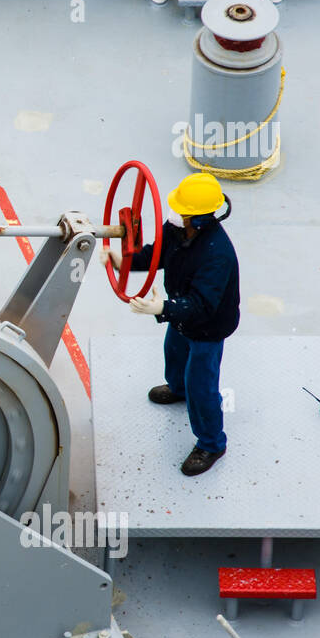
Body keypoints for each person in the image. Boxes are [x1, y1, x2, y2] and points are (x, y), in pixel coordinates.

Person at [100, 173, 240, 476]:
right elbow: (155, 254)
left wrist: (162, 307)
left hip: (207, 327)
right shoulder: (179, 230)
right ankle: (177, 389)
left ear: (200, 219)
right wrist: (121, 260)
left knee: (201, 386)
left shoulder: (218, 255)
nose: (173, 214)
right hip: (181, 315)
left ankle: (212, 443)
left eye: (181, 210)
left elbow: (202, 305)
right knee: (174, 354)